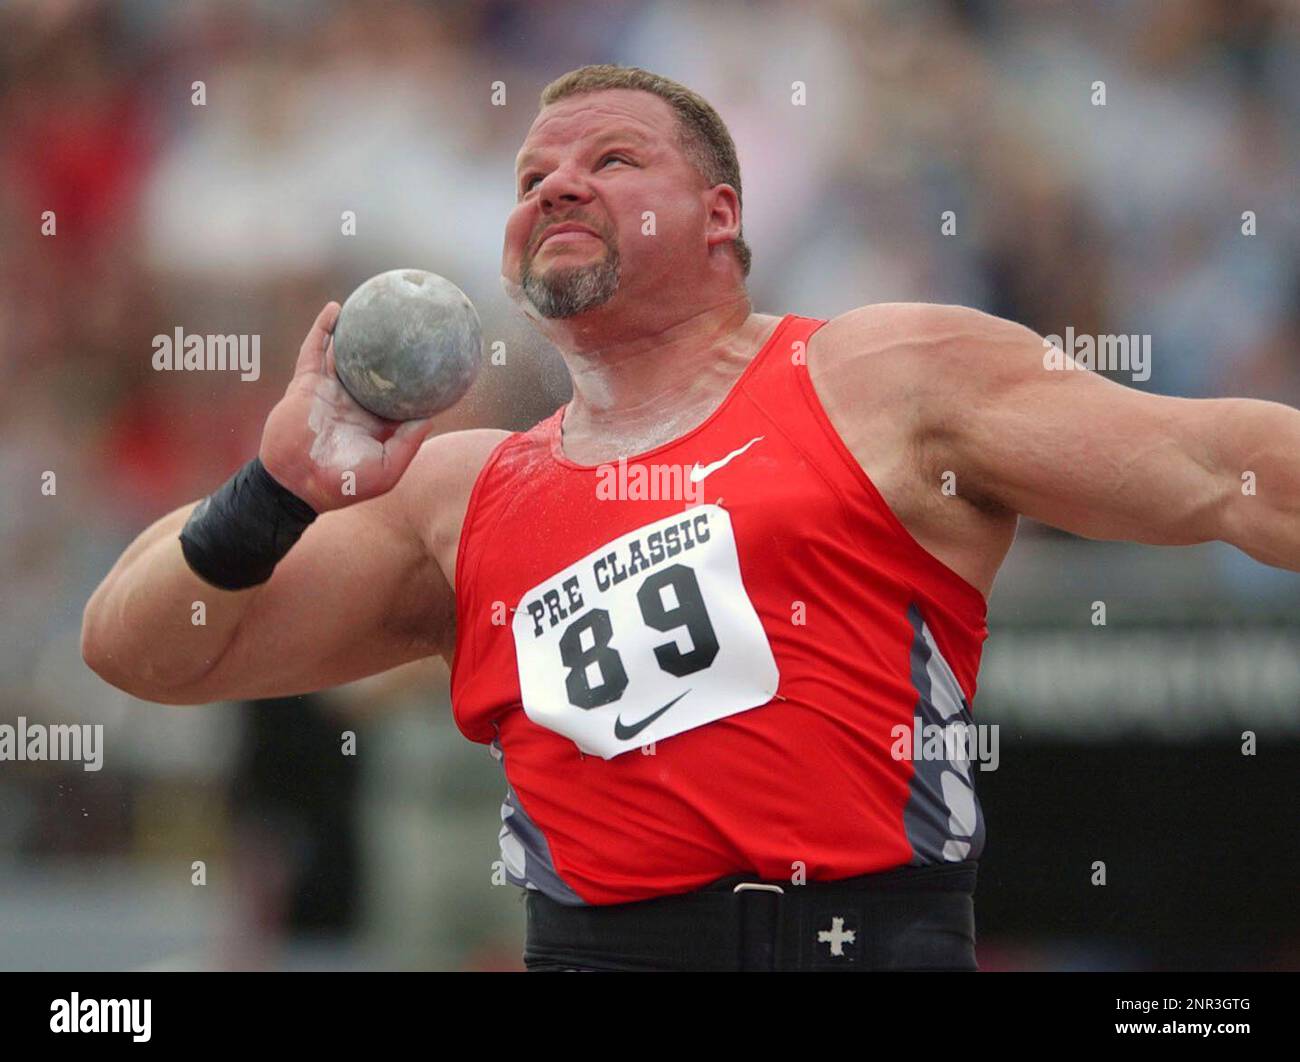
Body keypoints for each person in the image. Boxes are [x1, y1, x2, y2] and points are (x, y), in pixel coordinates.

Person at [82, 65, 1300, 972]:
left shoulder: (883, 378)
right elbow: (144, 652)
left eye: (610, 160)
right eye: (528, 181)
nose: (556, 182)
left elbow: (1223, 467)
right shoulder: (460, 493)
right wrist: (275, 492)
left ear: (719, 217)